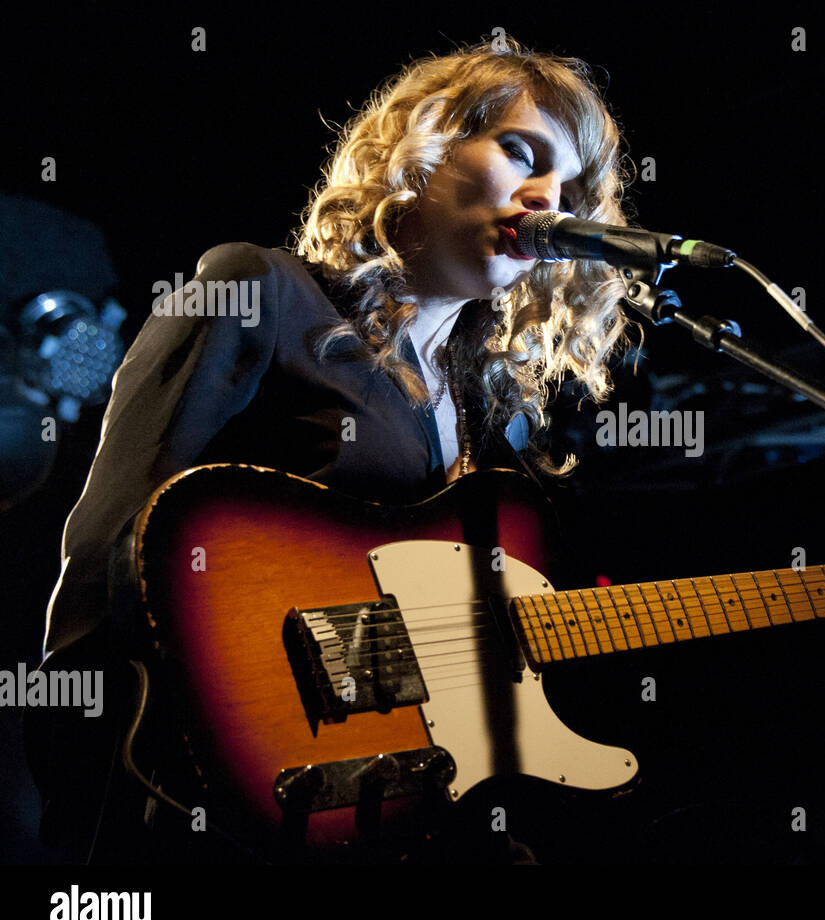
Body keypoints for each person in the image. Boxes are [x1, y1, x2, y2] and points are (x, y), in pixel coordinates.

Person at [26, 36, 637, 862]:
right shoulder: (262, 293)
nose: (546, 198)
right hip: (194, 798)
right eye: (521, 152)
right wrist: (102, 772)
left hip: (377, 806)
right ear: (424, 145)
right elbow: (110, 549)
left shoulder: (490, 414)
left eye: (569, 187)